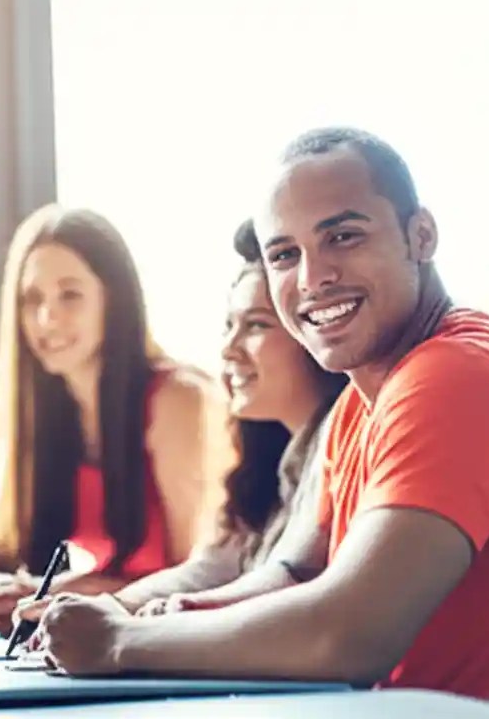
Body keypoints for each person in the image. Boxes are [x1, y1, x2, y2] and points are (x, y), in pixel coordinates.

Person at [19, 127, 489, 700]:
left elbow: (351, 631)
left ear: (422, 235)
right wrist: (149, 612)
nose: (313, 279)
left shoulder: (457, 376)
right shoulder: (361, 403)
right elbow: (294, 572)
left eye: (343, 236)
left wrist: (125, 642)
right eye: (284, 255)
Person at [0, 204, 235, 634]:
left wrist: (82, 593)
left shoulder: (177, 400)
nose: (47, 318)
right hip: (110, 645)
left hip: (178, 646)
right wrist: (16, 594)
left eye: (70, 295)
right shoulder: (46, 415)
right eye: (32, 299)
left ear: (112, 299)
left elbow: (201, 577)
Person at [113, 220, 347, 614]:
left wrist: (172, 612)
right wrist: (107, 606)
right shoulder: (274, 463)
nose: (229, 349)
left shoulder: (338, 442)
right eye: (228, 325)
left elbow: (288, 583)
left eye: (255, 325)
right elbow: (207, 570)